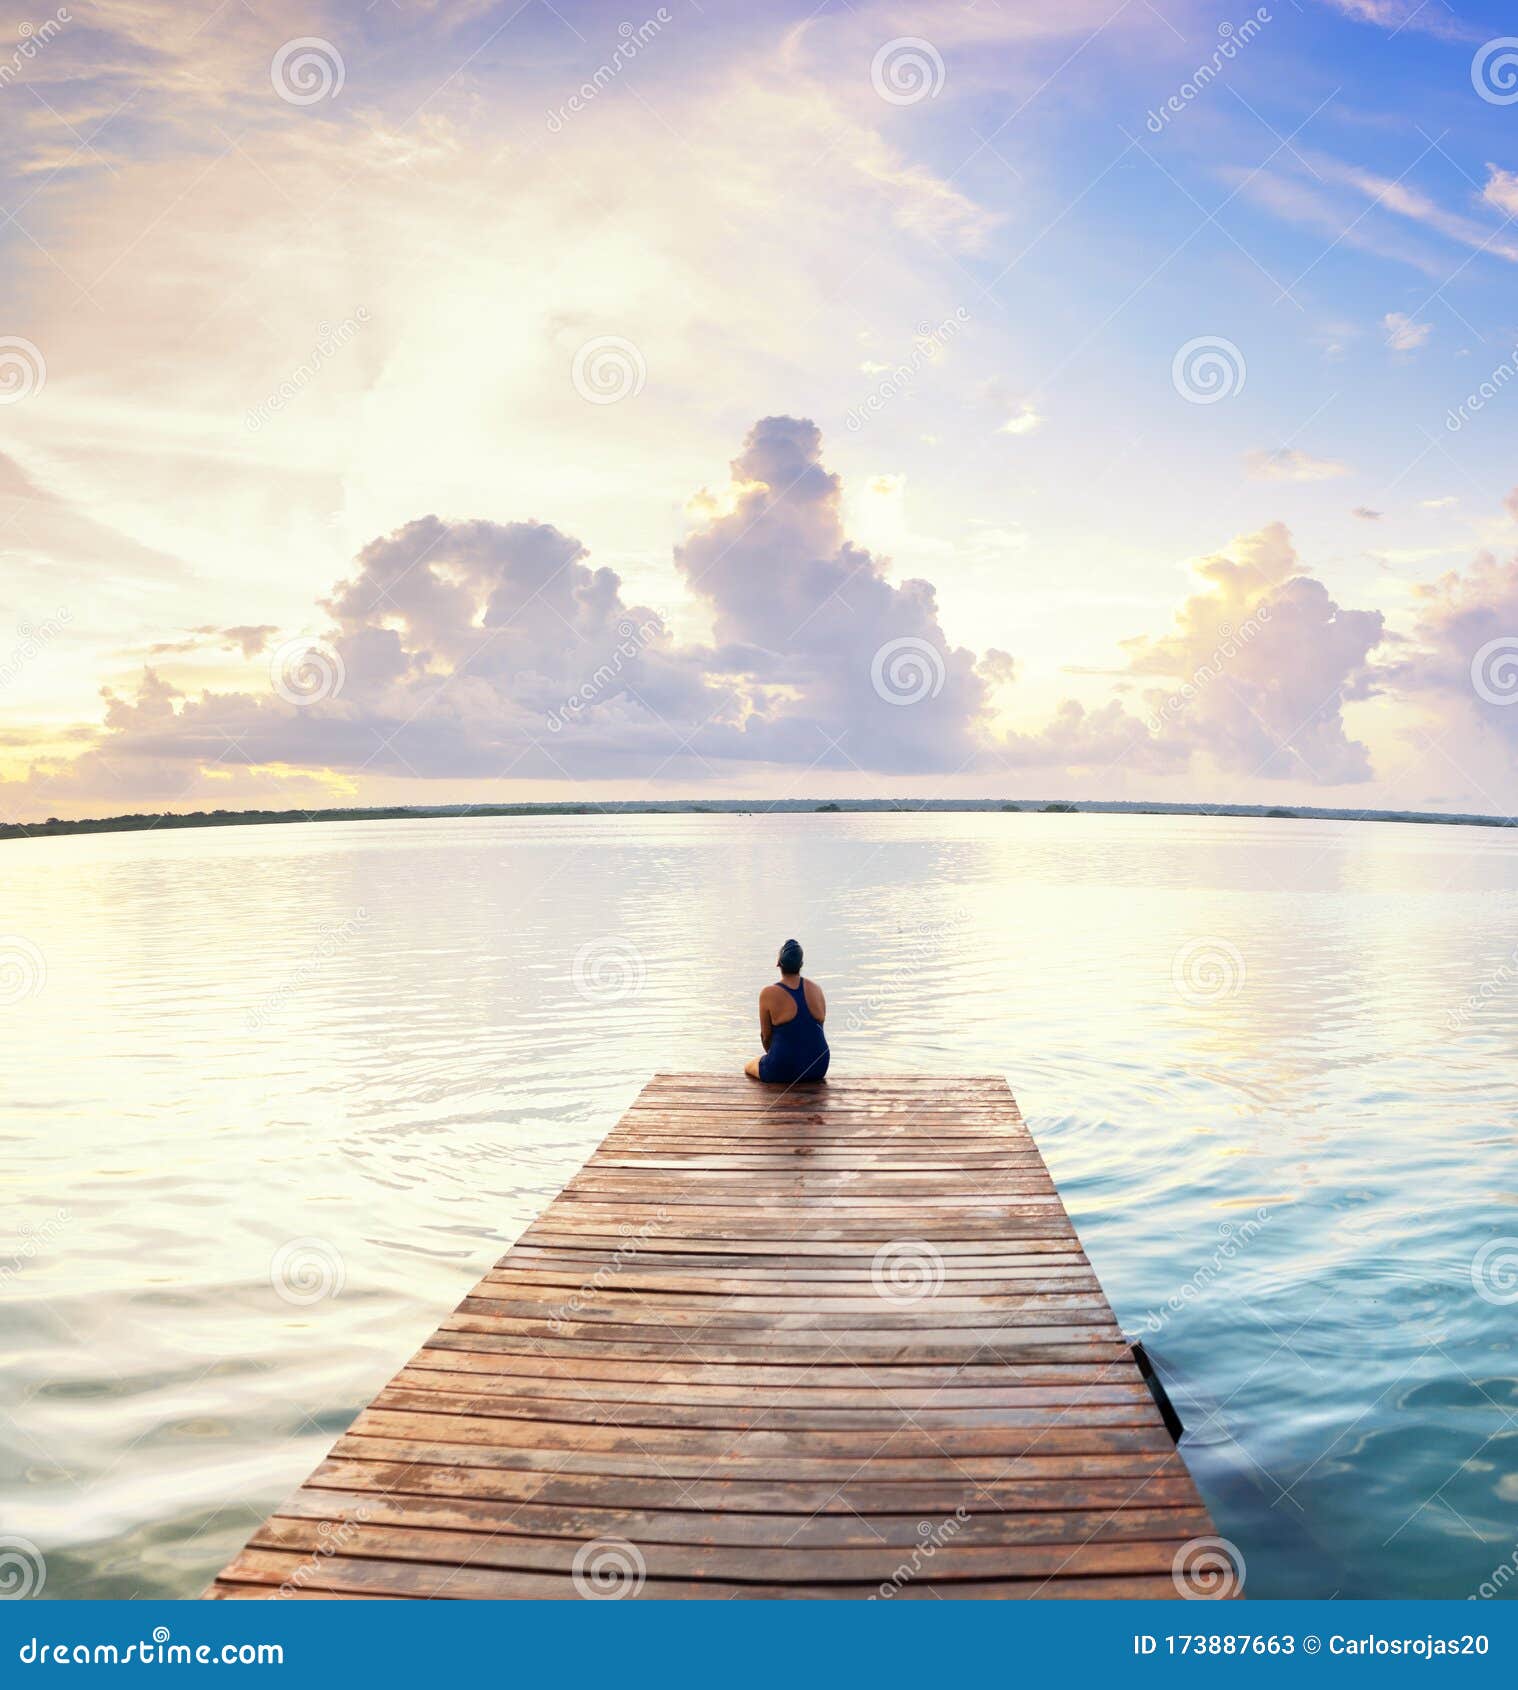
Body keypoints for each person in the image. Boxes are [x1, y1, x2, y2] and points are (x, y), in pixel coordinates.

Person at [744, 938, 829, 1084]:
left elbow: (766, 1037)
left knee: (748, 1066)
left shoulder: (768, 993)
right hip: (819, 1067)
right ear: (801, 964)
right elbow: (814, 1033)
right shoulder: (817, 990)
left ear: (778, 963)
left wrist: (779, 1058)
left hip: (783, 1068)